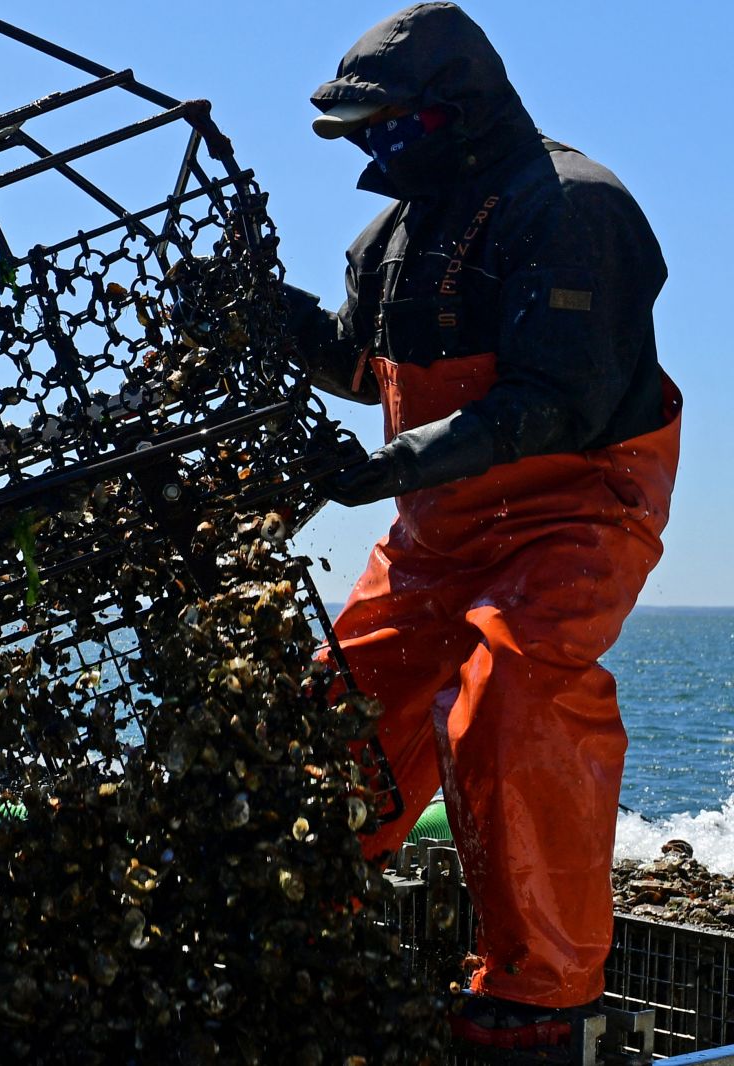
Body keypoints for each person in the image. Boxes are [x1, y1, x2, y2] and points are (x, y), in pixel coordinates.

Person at [280, 2, 680, 1048]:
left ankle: (540, 998)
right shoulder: (391, 237)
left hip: (575, 512)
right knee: (334, 713)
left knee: (508, 691)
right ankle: (290, 926)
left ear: (453, 112)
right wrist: (271, 318)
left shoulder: (572, 207)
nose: (374, 151)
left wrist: (390, 466)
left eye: (388, 127)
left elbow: (560, 401)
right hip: (436, 531)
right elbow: (363, 367)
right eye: (362, 134)